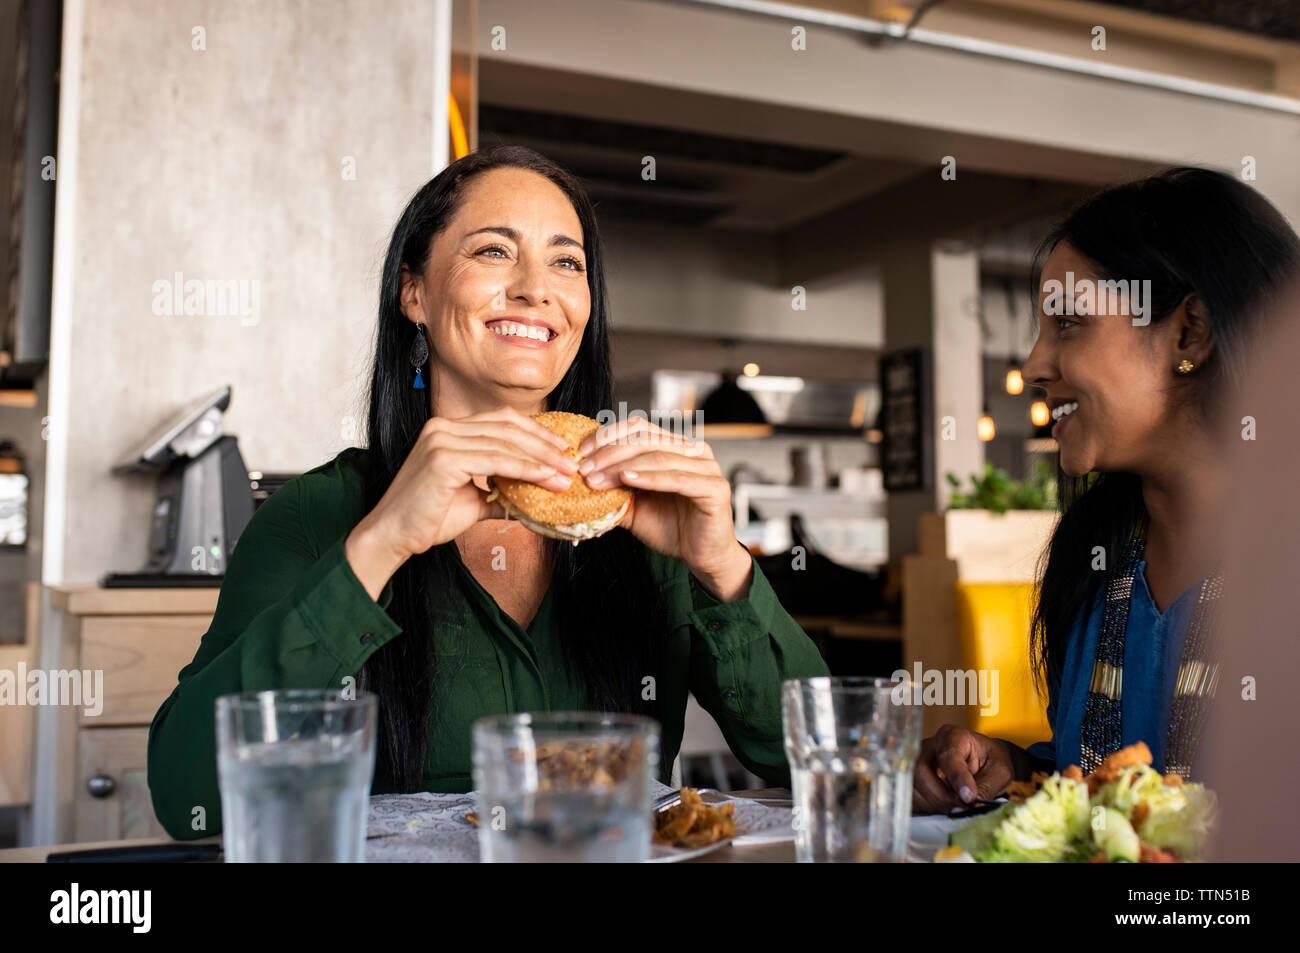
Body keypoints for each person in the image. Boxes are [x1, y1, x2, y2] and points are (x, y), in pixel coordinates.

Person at [147, 145, 828, 840]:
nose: (537, 287)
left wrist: (722, 565)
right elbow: (190, 798)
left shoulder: (645, 523)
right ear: (413, 291)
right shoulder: (313, 518)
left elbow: (820, 766)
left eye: (567, 262)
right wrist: (380, 547)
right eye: (495, 251)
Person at [912, 167, 1300, 814]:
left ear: (1190, 332)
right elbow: (1101, 794)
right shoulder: (1092, 560)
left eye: (1068, 324)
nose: (1034, 365)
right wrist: (1012, 769)